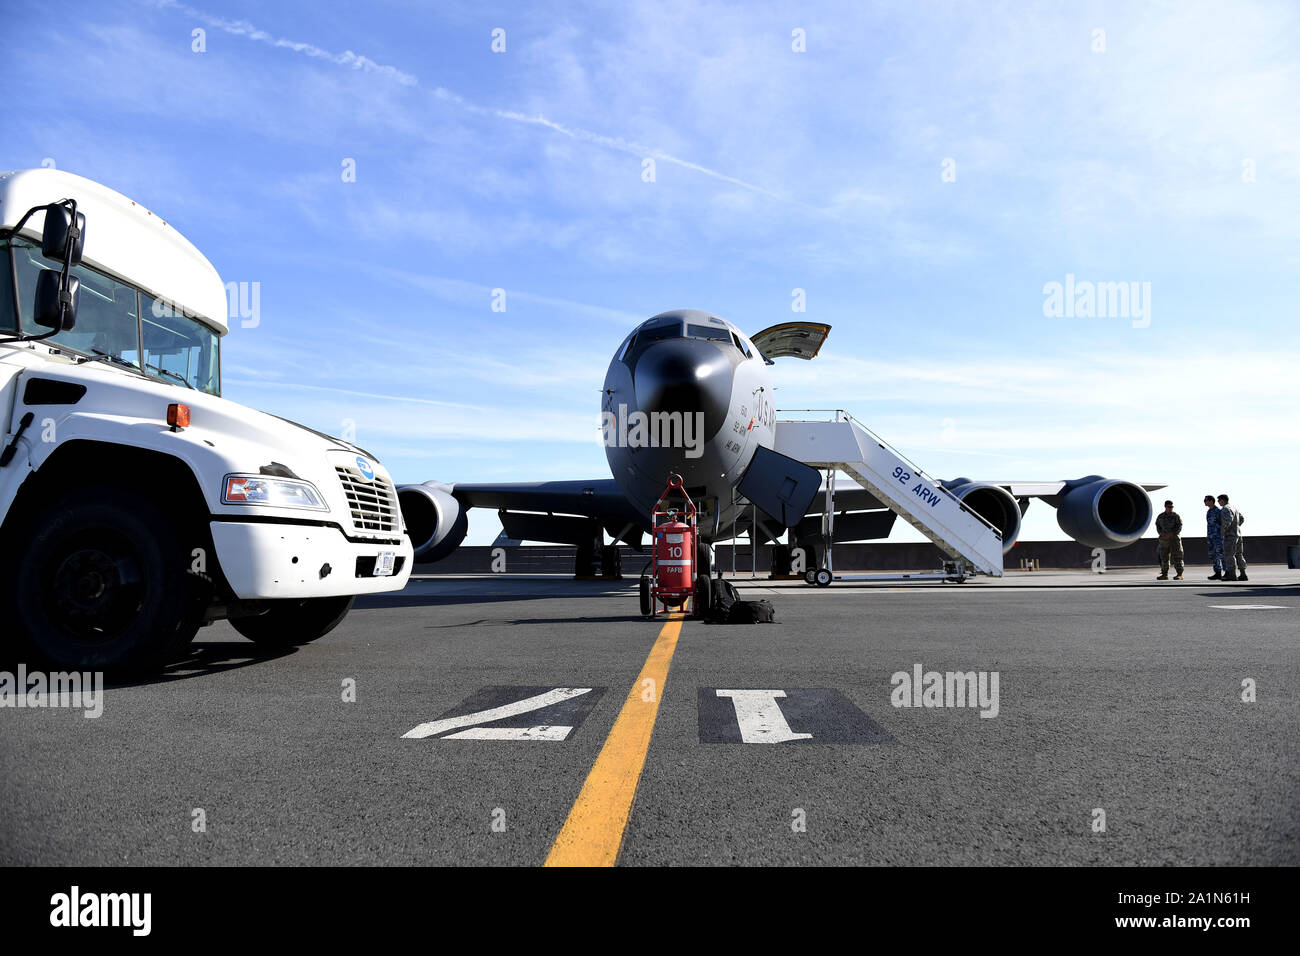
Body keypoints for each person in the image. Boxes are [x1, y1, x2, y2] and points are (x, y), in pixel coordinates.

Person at [1217, 494, 1248, 582]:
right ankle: (1243, 574)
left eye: (1219, 500)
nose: (1218, 502)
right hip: (1238, 534)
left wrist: (1224, 532)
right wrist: (1236, 527)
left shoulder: (1225, 509)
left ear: (1223, 500)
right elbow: (1241, 519)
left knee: (1229, 554)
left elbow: (1227, 521)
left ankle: (1232, 574)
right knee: (1239, 554)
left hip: (1230, 536)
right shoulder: (1234, 508)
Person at [1154, 500, 1184, 580]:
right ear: (1165, 507)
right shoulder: (1160, 516)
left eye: (1172, 507)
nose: (1170, 508)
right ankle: (1164, 574)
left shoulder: (1176, 516)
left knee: (1177, 557)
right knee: (1164, 557)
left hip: (1174, 540)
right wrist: (1162, 535)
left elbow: (1179, 527)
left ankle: (1179, 574)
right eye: (1169, 507)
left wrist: (1171, 535)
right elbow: (1158, 527)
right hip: (1164, 540)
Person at [1204, 495, 1225, 580]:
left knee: (1221, 554)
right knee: (1213, 555)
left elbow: (1222, 523)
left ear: (1211, 501)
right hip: (1211, 537)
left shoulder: (1217, 511)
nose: (1204, 502)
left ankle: (1227, 571)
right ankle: (1217, 572)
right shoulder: (1209, 511)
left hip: (1217, 537)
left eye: (1206, 500)